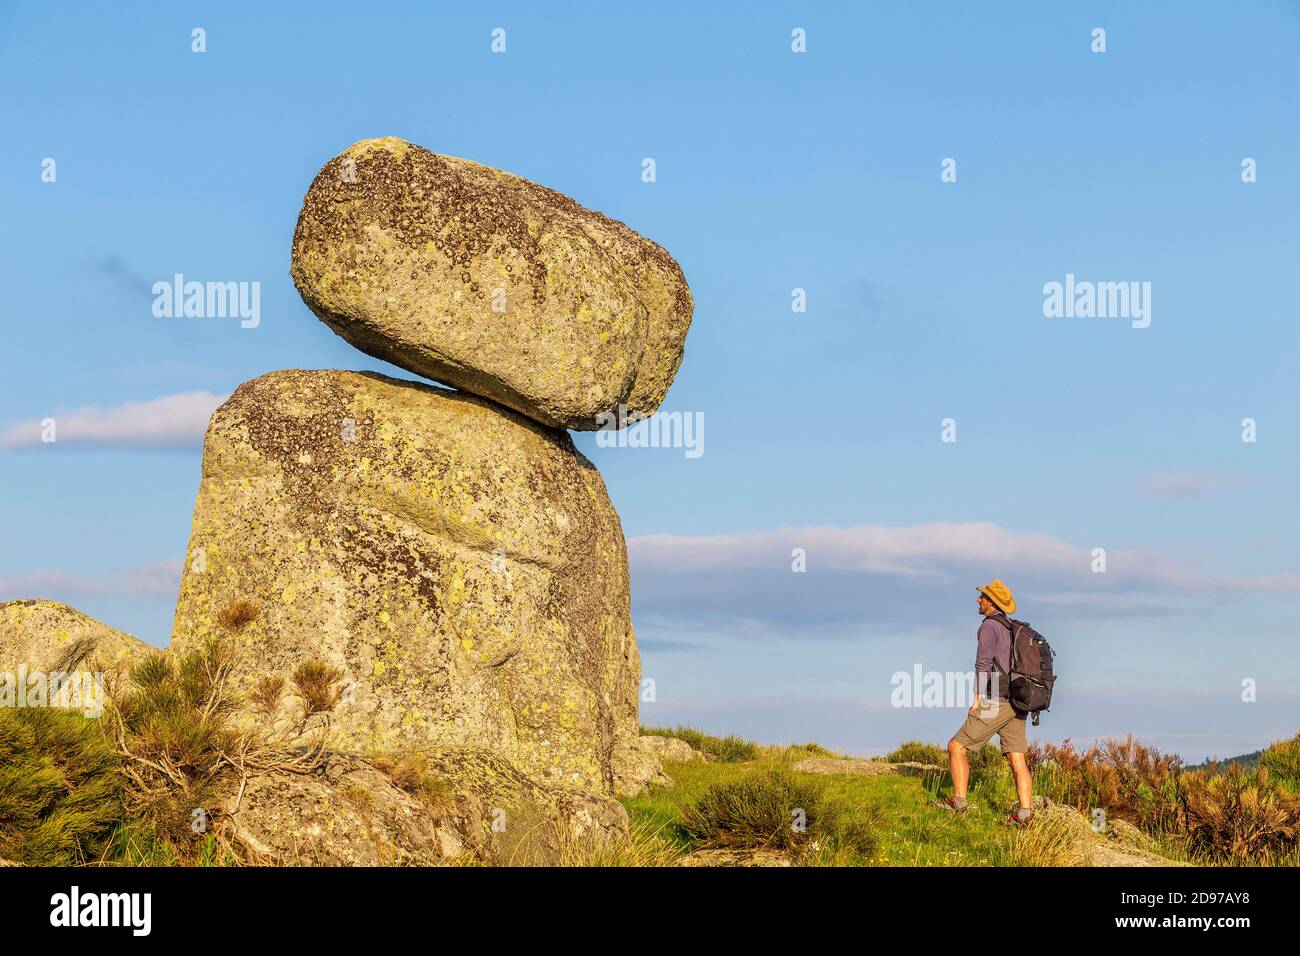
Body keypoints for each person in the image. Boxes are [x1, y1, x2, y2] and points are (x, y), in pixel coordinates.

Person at [936, 579, 1034, 827]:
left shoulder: (990, 626)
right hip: (1018, 701)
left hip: (996, 700)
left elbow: (983, 664)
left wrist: (977, 698)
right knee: (1017, 759)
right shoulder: (1013, 627)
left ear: (991, 602)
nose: (978, 600)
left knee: (956, 747)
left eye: (982, 597)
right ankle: (1024, 815)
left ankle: (958, 803)